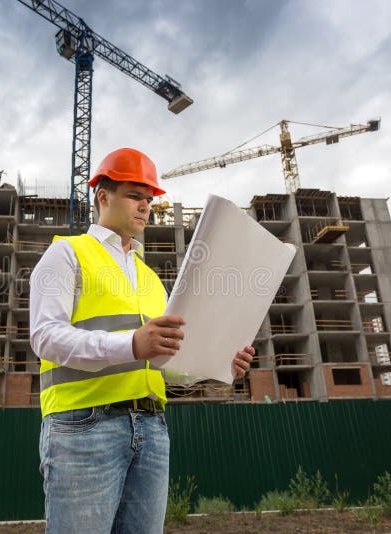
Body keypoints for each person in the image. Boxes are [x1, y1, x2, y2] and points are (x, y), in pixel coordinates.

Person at [29, 147, 254, 533]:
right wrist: (131, 344)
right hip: (84, 425)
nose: (145, 206)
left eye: (149, 199)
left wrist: (217, 364)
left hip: (152, 429)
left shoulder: (150, 279)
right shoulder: (66, 254)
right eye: (135, 195)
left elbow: (164, 367)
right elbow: (45, 337)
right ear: (103, 196)